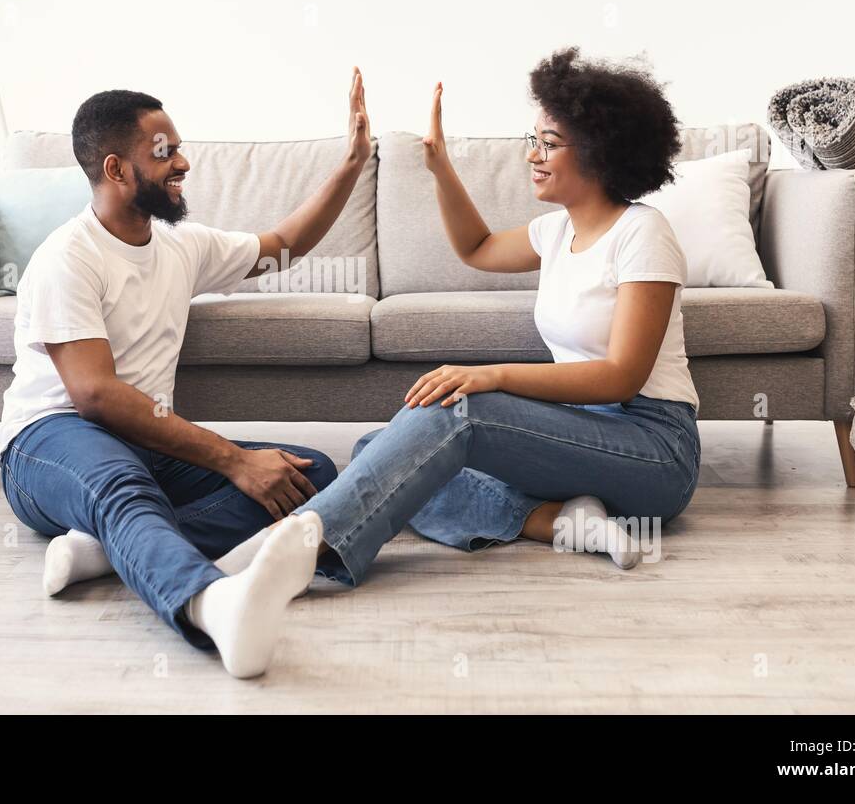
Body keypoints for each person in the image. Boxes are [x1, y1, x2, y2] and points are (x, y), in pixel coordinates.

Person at [229, 47, 702, 588]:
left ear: (600, 151)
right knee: (379, 450)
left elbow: (623, 376)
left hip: (654, 451)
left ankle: (290, 551)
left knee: (455, 413)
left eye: (548, 143)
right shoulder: (555, 233)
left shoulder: (643, 233)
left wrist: (492, 375)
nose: (532, 155)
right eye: (533, 140)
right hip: (583, 436)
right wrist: (440, 167)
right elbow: (476, 247)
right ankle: (556, 521)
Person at [0, 70, 374, 678]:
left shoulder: (182, 246)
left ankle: (108, 550)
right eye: (164, 151)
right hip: (48, 442)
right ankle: (212, 606)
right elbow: (93, 395)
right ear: (117, 170)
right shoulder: (67, 258)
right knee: (125, 483)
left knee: (308, 473)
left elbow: (285, 245)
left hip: (146, 443)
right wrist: (231, 458)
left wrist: (352, 163)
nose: (184, 163)